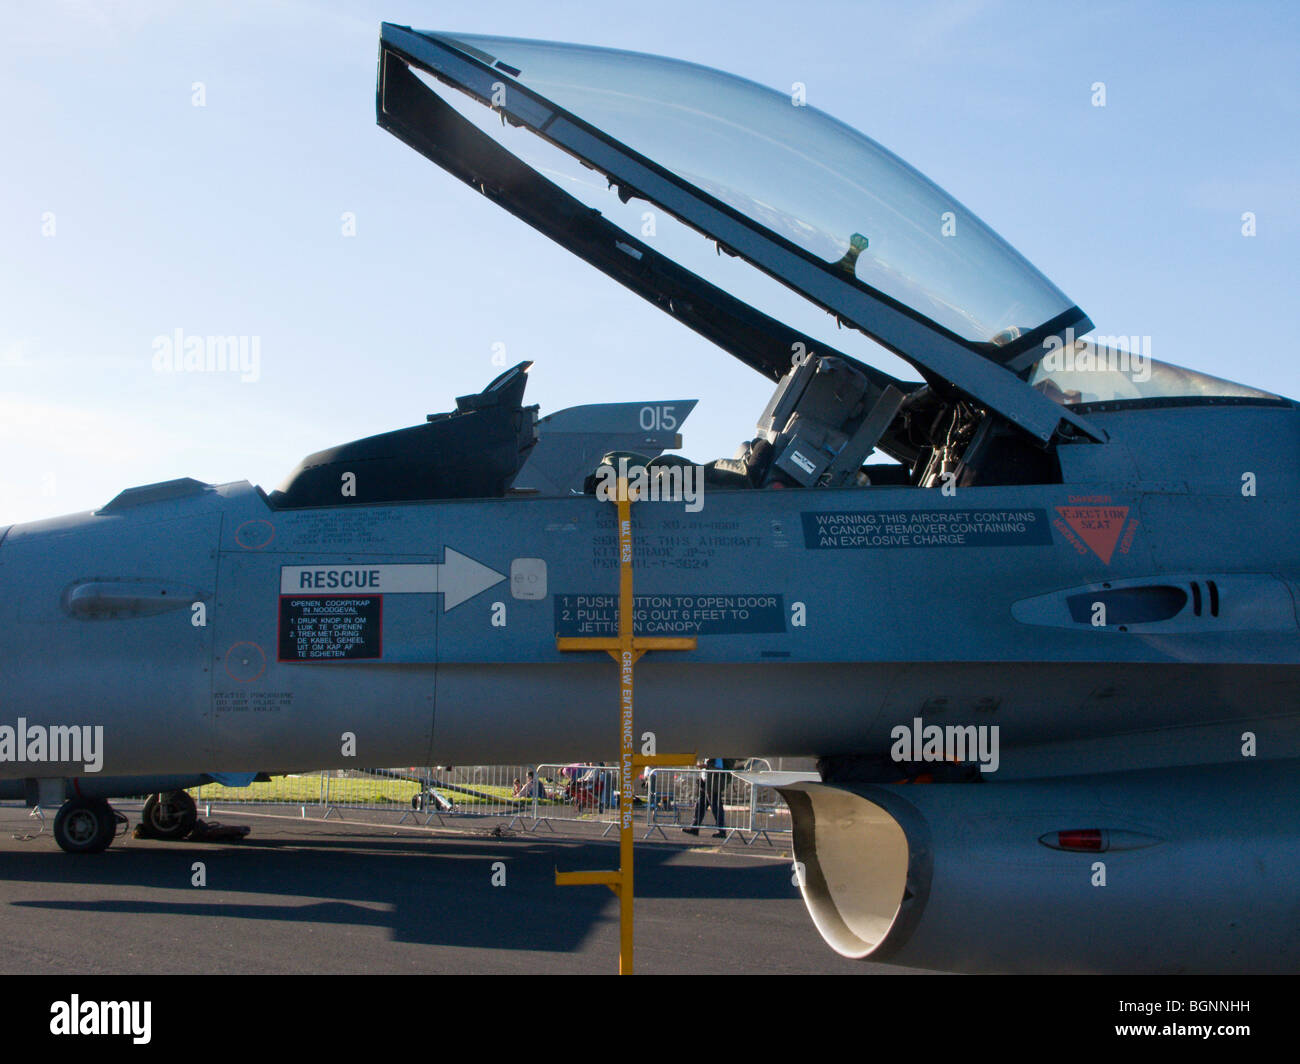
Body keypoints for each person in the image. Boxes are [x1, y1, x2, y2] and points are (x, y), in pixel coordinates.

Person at [683, 756, 727, 837]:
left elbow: (719, 769)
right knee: (700, 806)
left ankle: (721, 830)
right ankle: (694, 827)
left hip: (713, 785)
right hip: (705, 783)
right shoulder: (707, 757)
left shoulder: (717, 756)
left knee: (716, 807)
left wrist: (706, 766)